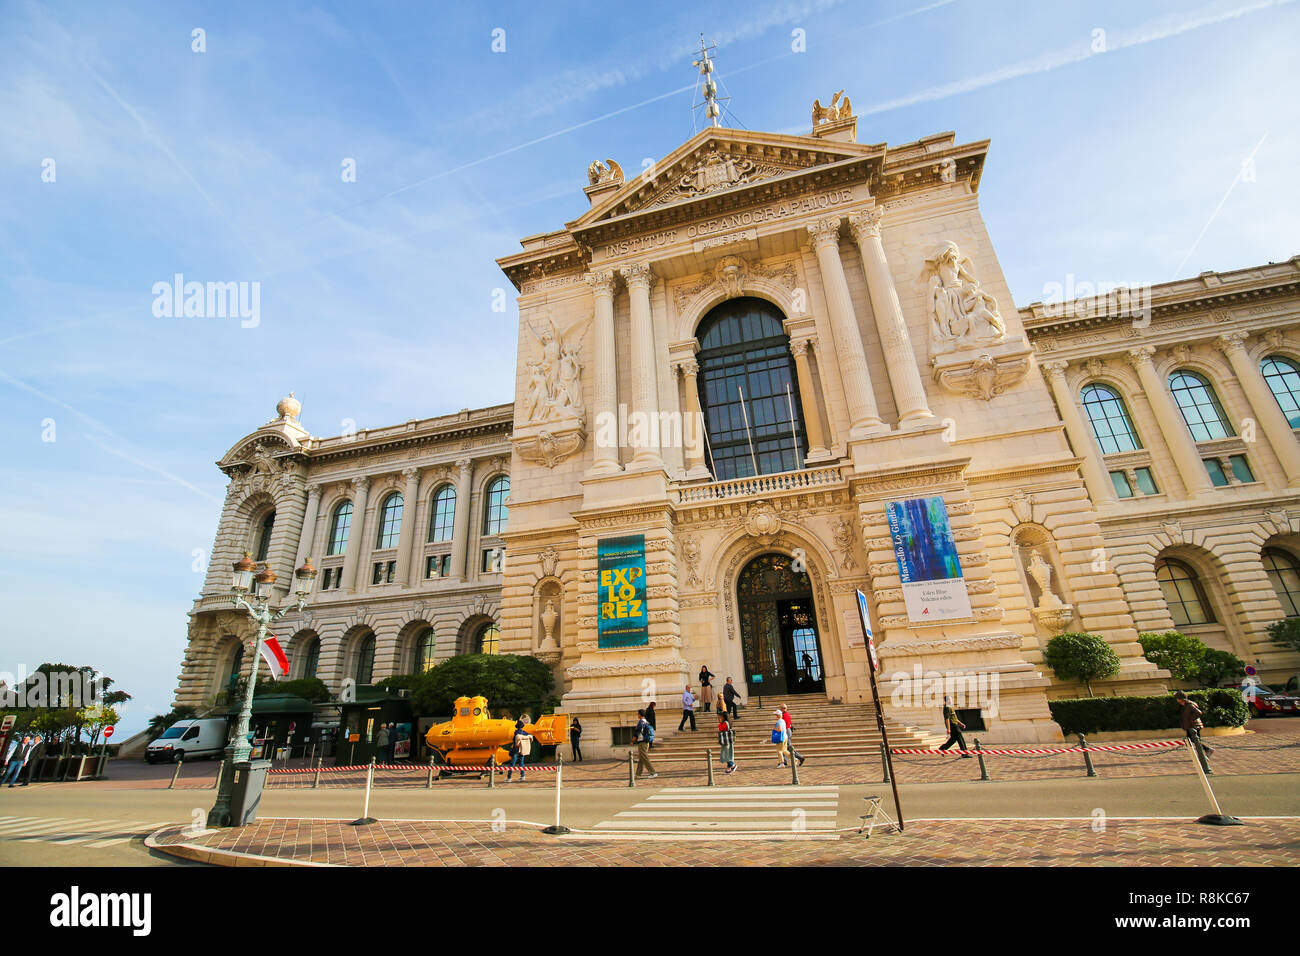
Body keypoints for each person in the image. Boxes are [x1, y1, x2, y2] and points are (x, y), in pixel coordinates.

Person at [1176, 691, 1214, 774]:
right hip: (1189, 726)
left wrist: (1191, 719)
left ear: (1180, 699)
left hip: (1194, 726)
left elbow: (1198, 712)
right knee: (1192, 740)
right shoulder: (1183, 706)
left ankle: (1206, 752)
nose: (1176, 700)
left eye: (1177, 698)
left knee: (1196, 740)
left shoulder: (1189, 705)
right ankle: (1203, 753)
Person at [633, 709, 657, 778]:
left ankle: (653, 772)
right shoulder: (646, 721)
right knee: (641, 758)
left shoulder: (641, 722)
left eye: (638, 714)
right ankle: (638, 774)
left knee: (645, 758)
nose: (637, 715)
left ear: (640, 714)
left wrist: (633, 740)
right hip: (646, 741)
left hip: (642, 742)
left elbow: (637, 732)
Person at [507, 717, 531, 782]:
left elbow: (515, 740)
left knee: (512, 764)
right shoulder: (525, 733)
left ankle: (509, 778)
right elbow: (530, 737)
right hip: (522, 750)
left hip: (516, 750)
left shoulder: (516, 733)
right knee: (521, 764)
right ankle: (522, 776)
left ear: (517, 727)